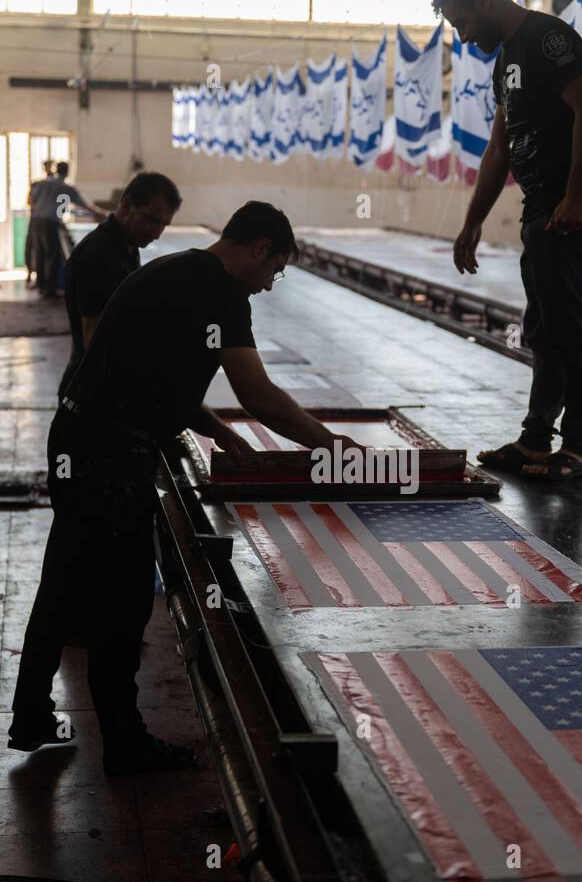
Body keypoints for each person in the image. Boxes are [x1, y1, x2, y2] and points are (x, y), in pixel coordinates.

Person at [8, 201, 367, 777]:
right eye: (274, 269)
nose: (270, 284)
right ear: (257, 248)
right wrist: (331, 446)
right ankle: (125, 745)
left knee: (63, 582)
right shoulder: (223, 293)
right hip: (111, 458)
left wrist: (219, 432)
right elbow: (259, 393)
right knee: (120, 603)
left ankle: (30, 716)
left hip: (79, 435)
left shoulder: (170, 271)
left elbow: (153, 371)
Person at [432, 0, 582, 480]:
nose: (464, 37)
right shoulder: (506, 60)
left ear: (484, 1)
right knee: (542, 324)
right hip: (541, 205)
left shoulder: (548, 38)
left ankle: (578, 447)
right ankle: (537, 439)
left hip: (569, 205)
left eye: (462, 23)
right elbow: (499, 147)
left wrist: (577, 195)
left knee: (567, 324)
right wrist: (472, 221)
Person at [59, 171, 182, 397]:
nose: (157, 234)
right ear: (126, 206)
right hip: (89, 397)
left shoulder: (127, 246)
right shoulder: (99, 255)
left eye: (163, 225)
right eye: (152, 221)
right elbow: (94, 340)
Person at [28, 161, 105, 299]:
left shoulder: (42, 184)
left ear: (56, 170)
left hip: (36, 220)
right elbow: (84, 205)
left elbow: (32, 201)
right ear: (68, 172)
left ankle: (40, 285)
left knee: (40, 252)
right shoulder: (67, 188)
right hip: (51, 222)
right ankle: (49, 291)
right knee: (51, 255)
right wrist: (101, 213)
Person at [25, 159, 55, 286]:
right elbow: (30, 201)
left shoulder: (54, 184)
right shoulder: (37, 184)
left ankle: (44, 282)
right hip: (37, 219)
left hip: (43, 219)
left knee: (42, 251)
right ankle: (33, 276)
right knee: (33, 248)